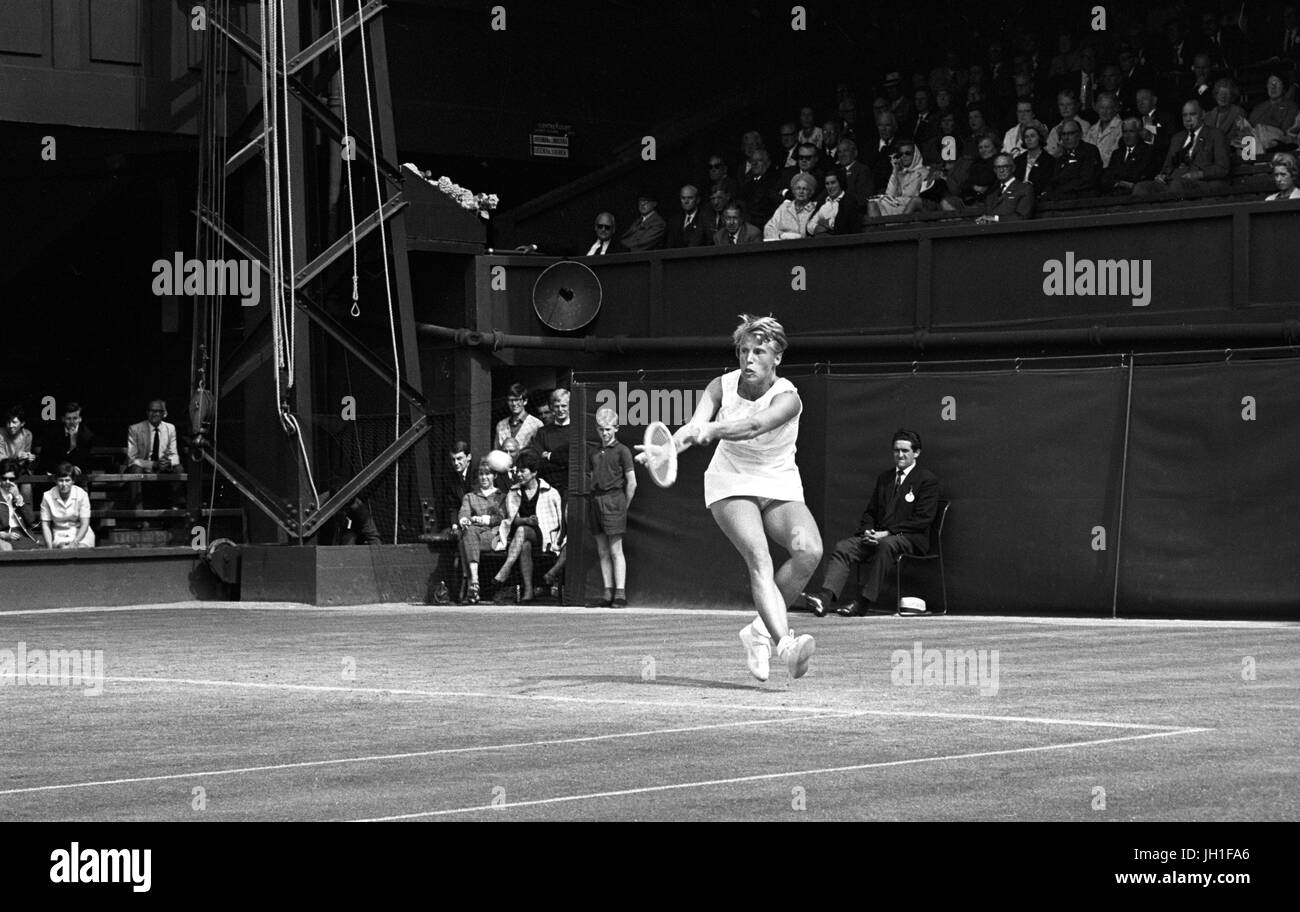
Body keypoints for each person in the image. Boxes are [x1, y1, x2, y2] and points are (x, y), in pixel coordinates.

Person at [638, 315, 821, 682]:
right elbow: (693, 430)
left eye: (759, 351)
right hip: (731, 482)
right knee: (759, 555)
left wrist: (713, 429)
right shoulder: (720, 387)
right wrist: (667, 449)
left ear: (777, 358)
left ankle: (757, 632)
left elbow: (754, 425)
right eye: (743, 351)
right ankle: (783, 643)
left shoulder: (788, 399)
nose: (749, 358)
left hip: (779, 481)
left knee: (809, 551)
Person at [802, 429, 939, 617]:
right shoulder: (885, 478)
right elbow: (870, 512)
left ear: (916, 453)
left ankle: (863, 603)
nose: (900, 455)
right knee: (844, 547)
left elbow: (923, 519)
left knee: (886, 545)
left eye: (905, 451)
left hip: (908, 538)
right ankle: (825, 598)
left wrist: (887, 533)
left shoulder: (926, 480)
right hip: (880, 537)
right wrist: (868, 532)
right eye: (896, 450)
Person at [491, 450, 563, 602]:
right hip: (522, 534)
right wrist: (526, 520)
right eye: (517, 470)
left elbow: (558, 522)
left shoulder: (551, 493)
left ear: (534, 472)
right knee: (524, 544)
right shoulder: (514, 492)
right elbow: (512, 520)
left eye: (523, 471)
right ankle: (528, 591)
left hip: (545, 536)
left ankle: (506, 568)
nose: (519, 474)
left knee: (522, 531)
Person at [588, 408, 636, 608]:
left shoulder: (622, 451)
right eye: (601, 429)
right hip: (596, 501)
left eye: (608, 429)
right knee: (602, 550)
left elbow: (632, 482)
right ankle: (607, 593)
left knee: (616, 550)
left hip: (615, 501)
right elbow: (592, 477)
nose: (604, 433)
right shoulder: (593, 452)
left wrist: (624, 505)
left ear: (616, 428)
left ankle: (620, 594)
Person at [1133, 100, 1231, 196]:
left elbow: (1223, 168)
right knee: (1141, 187)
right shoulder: (1177, 138)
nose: (1188, 119)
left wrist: (1198, 174)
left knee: (1177, 186)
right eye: (1185, 115)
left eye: (1192, 114)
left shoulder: (1215, 135)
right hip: (1174, 181)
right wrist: (1162, 175)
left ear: (1203, 115)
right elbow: (1167, 167)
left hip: (1201, 183)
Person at [457, 459, 507, 603]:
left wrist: (485, 520)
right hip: (474, 535)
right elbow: (464, 513)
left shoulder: (501, 497)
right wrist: (464, 520)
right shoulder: (470, 497)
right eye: (481, 474)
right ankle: (475, 581)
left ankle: (471, 584)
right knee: (469, 532)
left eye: (488, 474)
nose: (484, 477)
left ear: (494, 476)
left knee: (464, 540)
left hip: (493, 536)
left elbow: (503, 518)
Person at [126, 399, 183, 510]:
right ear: (147, 412)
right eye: (151, 411)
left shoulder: (170, 428)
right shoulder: (134, 429)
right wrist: (154, 464)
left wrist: (168, 462)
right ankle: (138, 512)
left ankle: (176, 506)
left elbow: (174, 454)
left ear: (163, 413)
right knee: (135, 469)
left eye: (158, 411)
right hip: (145, 466)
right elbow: (132, 459)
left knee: (178, 468)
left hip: (163, 465)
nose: (154, 414)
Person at [1039, 118, 1103, 200]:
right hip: (1061, 199)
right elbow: (1054, 180)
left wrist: (1059, 190)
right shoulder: (1062, 156)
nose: (1066, 138)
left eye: (1070, 133)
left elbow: (1087, 180)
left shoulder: (1089, 151)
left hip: (1083, 200)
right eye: (1063, 134)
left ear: (1080, 134)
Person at [41, 461, 95, 549]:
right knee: (64, 550)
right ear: (55, 480)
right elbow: (45, 524)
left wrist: (75, 543)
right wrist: (49, 548)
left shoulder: (82, 494)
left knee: (82, 549)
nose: (64, 484)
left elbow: (85, 523)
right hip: (60, 534)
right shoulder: (47, 496)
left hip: (81, 533)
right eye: (61, 481)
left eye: (67, 480)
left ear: (73, 481)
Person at [528, 387, 571, 496]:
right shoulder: (543, 432)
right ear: (551, 408)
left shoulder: (577, 431)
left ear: (570, 406)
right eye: (556, 406)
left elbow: (575, 460)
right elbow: (537, 462)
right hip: (549, 488)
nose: (560, 410)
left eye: (564, 406)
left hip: (571, 487)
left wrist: (549, 456)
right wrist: (564, 461)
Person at [867, 139, 927, 217]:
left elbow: (911, 196)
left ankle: (900, 226)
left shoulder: (923, 172)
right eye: (901, 154)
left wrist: (894, 200)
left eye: (907, 153)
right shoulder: (899, 173)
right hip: (896, 206)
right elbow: (890, 194)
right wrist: (895, 171)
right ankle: (880, 229)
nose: (904, 156)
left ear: (915, 154)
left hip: (911, 208)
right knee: (872, 204)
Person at [1103, 117, 1160, 194]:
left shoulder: (1148, 151)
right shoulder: (1117, 153)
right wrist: (1117, 183)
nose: (1127, 135)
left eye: (1131, 131)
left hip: (1136, 193)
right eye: (1125, 132)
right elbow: (1109, 176)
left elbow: (1145, 175)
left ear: (1139, 132)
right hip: (1116, 192)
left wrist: (1126, 183)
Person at [975, 154, 1035, 223]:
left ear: (1013, 168)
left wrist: (995, 219)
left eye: (1005, 166)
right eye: (998, 167)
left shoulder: (1025, 189)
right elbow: (987, 216)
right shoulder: (992, 193)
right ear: (994, 170)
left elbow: (1023, 217)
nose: (1001, 170)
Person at [40, 401, 95, 475]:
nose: (72, 422)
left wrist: (73, 440)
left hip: (78, 473)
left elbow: (86, 460)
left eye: (75, 418)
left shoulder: (87, 436)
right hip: (55, 471)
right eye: (68, 419)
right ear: (63, 419)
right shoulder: (52, 433)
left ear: (80, 419)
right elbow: (48, 457)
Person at [765, 172, 819, 239]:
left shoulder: (816, 208)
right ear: (793, 191)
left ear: (811, 192)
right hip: (782, 246)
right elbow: (769, 229)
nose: (801, 192)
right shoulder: (784, 207)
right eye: (798, 188)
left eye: (805, 189)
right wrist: (781, 236)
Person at [0, 460, 39, 550]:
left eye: (11, 479)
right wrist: (4, 535)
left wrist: (18, 498)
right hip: (4, 534)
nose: (7, 482)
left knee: (34, 550)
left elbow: (32, 522)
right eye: (4, 478)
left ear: (16, 479)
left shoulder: (18, 494)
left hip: (21, 533)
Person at [494, 383, 544, 450]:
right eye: (511, 400)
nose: (514, 404)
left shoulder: (536, 424)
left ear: (525, 401)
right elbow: (497, 451)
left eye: (517, 400)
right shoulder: (501, 425)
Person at [810, 171, 861, 235]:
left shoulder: (849, 201)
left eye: (833, 183)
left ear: (840, 183)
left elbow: (844, 227)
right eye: (827, 184)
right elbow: (810, 225)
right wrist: (816, 228)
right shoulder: (822, 201)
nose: (830, 187)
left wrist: (826, 224)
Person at [1013, 122, 1056, 190]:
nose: (1029, 139)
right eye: (1026, 137)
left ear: (1039, 138)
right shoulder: (1018, 160)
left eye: (1032, 136)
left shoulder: (1049, 160)